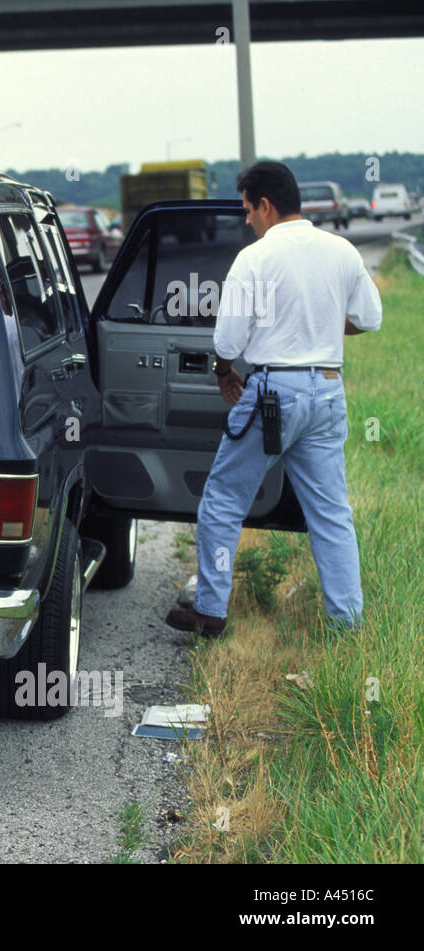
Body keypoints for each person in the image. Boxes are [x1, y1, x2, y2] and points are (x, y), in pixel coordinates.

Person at [165, 160, 382, 637]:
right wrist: (322, 327)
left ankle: (211, 610)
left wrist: (225, 373)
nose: (246, 220)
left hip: (272, 395)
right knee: (331, 514)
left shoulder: (256, 258)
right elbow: (370, 317)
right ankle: (348, 627)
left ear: (265, 206)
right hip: (327, 391)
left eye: (247, 210)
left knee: (222, 501)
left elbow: (226, 343)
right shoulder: (340, 250)